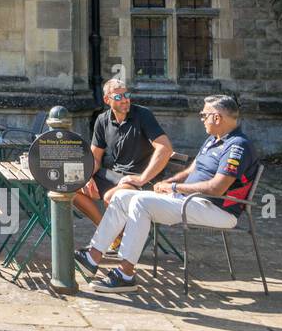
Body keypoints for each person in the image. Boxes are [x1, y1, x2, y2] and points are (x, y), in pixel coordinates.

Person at [75, 95, 258, 293]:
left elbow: (216, 188)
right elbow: (191, 170)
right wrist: (170, 182)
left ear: (217, 117)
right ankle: (92, 257)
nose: (202, 119)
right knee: (121, 196)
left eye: (204, 115)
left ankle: (125, 274)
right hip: (189, 201)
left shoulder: (237, 146)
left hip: (217, 208)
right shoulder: (213, 140)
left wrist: (175, 189)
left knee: (141, 203)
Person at [74, 79, 174, 226]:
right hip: (116, 176)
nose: (125, 100)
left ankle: (112, 238)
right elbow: (95, 157)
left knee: (112, 196)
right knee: (72, 186)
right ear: (107, 99)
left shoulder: (143, 115)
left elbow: (165, 148)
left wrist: (142, 178)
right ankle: (107, 232)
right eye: (118, 96)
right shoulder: (102, 120)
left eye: (126, 95)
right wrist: (86, 175)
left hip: (142, 179)